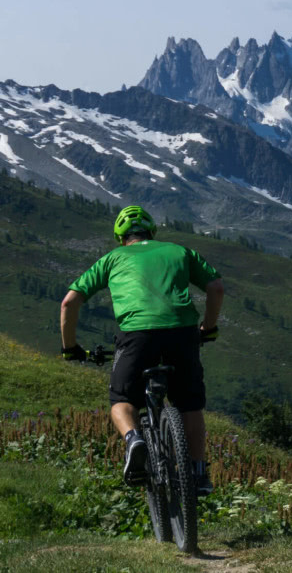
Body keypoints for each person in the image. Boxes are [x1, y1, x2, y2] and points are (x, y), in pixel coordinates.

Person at [59, 205, 223, 496]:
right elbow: (216, 288)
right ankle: (198, 472)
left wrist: (70, 347)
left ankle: (134, 438)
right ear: (152, 231)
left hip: (137, 335)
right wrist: (207, 329)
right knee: (189, 404)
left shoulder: (112, 258)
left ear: (120, 237)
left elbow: (69, 303)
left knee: (122, 398)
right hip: (182, 332)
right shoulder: (179, 251)